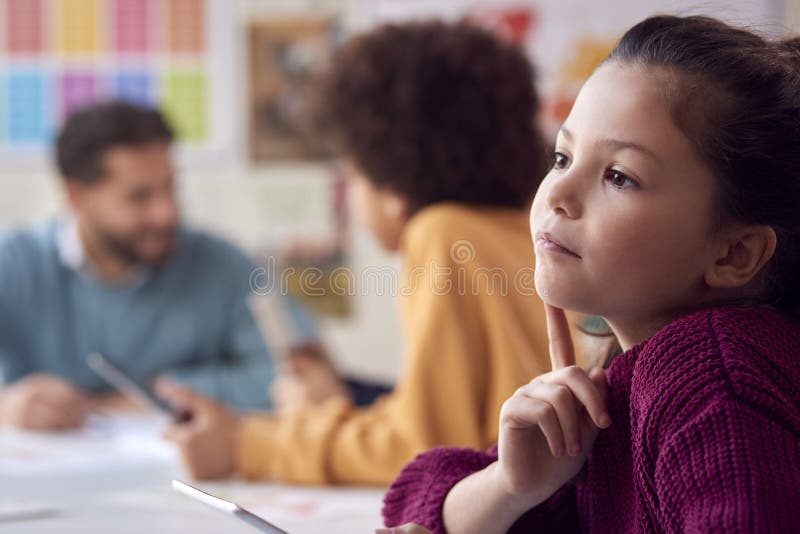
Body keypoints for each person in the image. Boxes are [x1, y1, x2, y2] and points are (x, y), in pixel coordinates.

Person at [381, 16, 800, 533]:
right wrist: (512, 485)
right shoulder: (625, 386)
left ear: (735, 254)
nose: (556, 193)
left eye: (619, 177)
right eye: (562, 156)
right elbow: (419, 495)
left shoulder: (712, 374)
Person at [158, 21, 615, 485]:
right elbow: (450, 416)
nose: (349, 195)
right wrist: (338, 405)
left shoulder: (443, 235)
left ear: (393, 183)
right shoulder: (529, 227)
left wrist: (246, 443)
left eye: (350, 174)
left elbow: (422, 447)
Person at [0, 101, 315, 431]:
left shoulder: (223, 266)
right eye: (139, 197)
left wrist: (146, 397)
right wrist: (6, 406)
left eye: (170, 188)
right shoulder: (15, 267)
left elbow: (302, 380)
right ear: (77, 197)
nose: (166, 213)